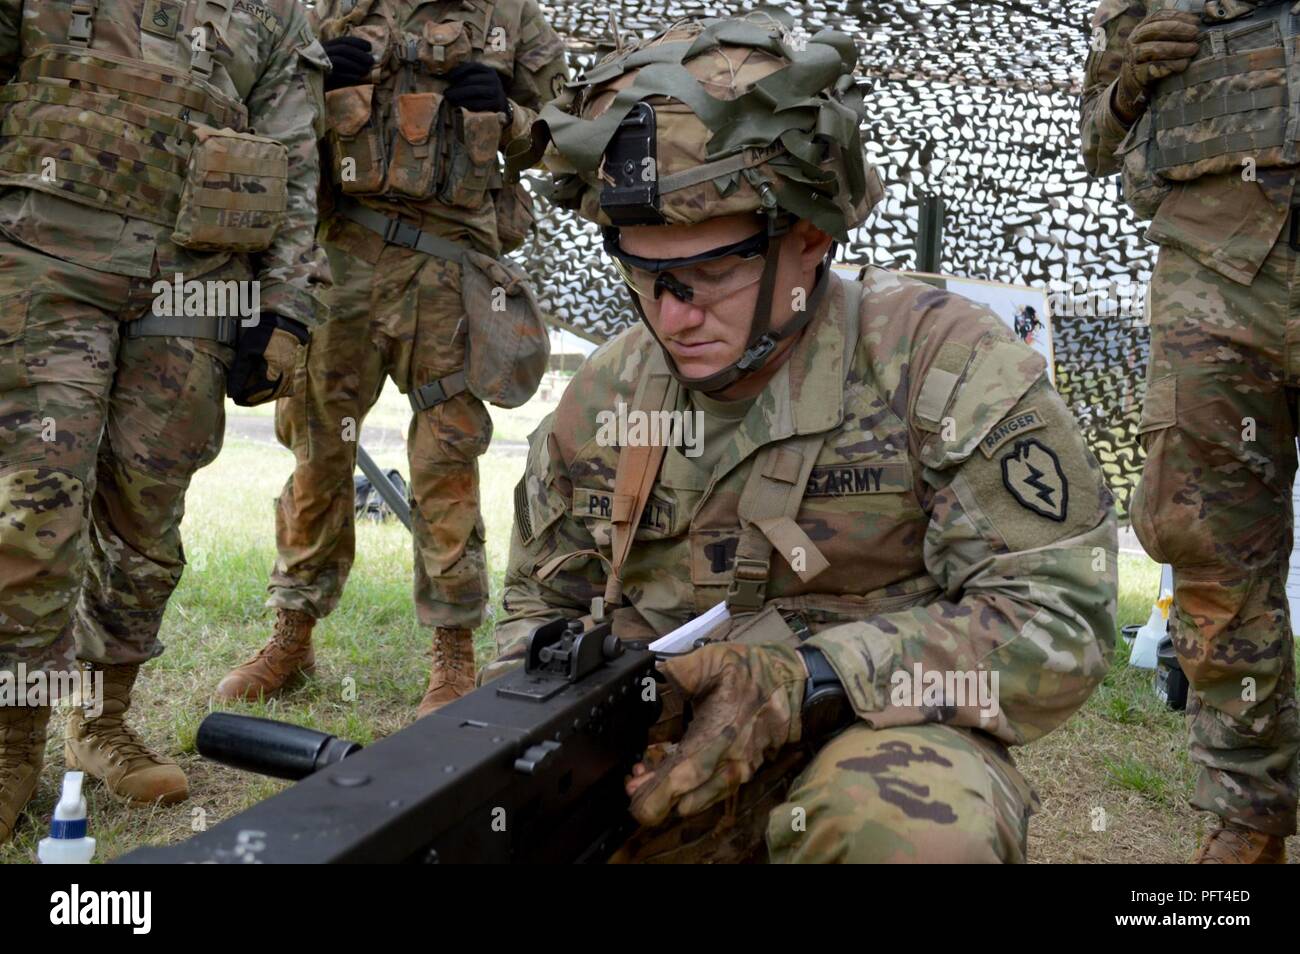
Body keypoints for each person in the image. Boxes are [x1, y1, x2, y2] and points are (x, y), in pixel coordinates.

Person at [482, 12, 1118, 863]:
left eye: (712, 271)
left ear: (809, 242)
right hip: (658, 771)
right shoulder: (606, 393)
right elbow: (539, 606)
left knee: (916, 829)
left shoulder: (942, 364)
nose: (673, 313)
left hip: (865, 744)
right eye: (644, 270)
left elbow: (1058, 618)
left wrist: (811, 679)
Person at [0, 0, 329, 844]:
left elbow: (294, 157)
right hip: (45, 254)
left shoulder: (276, 12)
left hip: (195, 281)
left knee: (148, 515)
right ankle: (11, 741)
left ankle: (102, 717)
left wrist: (286, 306)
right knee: (36, 513)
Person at [214, 0, 569, 717]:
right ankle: (292, 632)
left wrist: (512, 117)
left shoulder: (512, 18)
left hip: (450, 270)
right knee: (317, 449)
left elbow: (569, 142)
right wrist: (316, 89)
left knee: (447, 457)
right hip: (343, 258)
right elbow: (263, 114)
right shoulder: (330, 9)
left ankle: (452, 648)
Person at [1081, 0, 1300, 863]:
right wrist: (1131, 85)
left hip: (1221, 277)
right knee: (1208, 543)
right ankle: (1248, 820)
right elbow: (1097, 141)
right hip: (1215, 277)